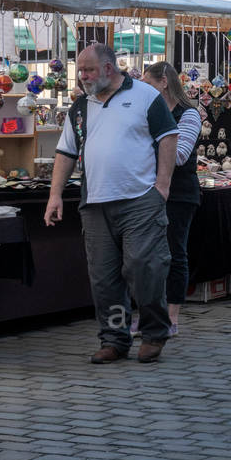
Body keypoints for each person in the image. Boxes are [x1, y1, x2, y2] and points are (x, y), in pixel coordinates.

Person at [44, 44, 178, 364]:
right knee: (104, 278)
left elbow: (168, 138)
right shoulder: (80, 106)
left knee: (143, 266)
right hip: (95, 202)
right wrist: (54, 195)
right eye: (81, 70)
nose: (83, 76)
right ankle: (115, 339)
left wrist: (162, 186)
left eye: (88, 70)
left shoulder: (145, 96)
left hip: (140, 199)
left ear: (108, 68)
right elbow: (66, 151)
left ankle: (154, 332)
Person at [141, 62, 201, 335]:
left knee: (174, 253)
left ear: (164, 82)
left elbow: (178, 155)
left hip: (179, 194)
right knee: (147, 256)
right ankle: (151, 314)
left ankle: (172, 318)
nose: (144, 90)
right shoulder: (149, 113)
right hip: (148, 192)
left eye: (149, 84)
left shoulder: (188, 114)